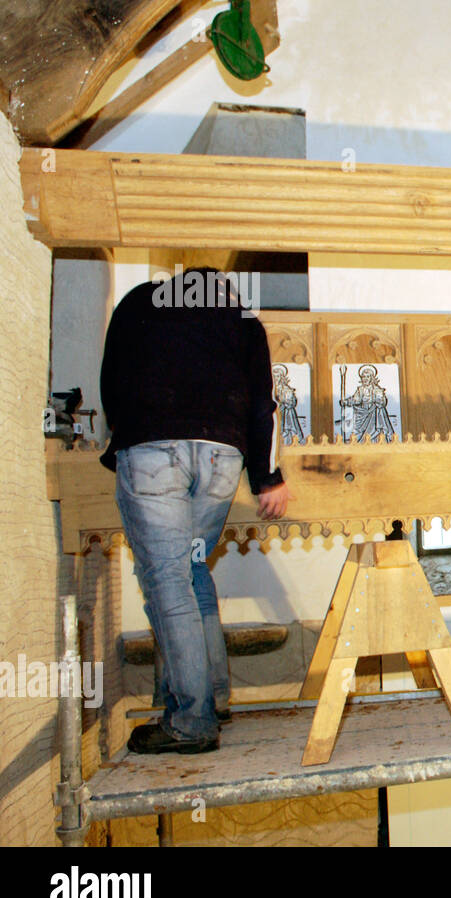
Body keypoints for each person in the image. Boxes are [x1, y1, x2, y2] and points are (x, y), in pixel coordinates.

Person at [100, 268, 293, 755]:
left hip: (153, 454)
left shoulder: (139, 301)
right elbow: (264, 402)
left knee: (168, 582)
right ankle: (214, 694)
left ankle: (191, 720)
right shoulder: (240, 315)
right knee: (189, 568)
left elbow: (113, 378)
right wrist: (267, 478)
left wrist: (119, 436)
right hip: (218, 458)